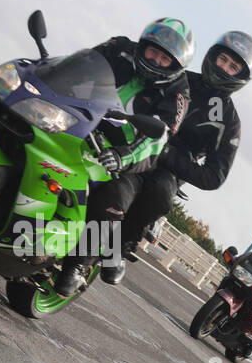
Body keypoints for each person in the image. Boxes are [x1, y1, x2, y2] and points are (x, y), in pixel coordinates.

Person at [54, 18, 194, 296]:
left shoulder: (178, 93)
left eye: (164, 58)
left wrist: (123, 156)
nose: (155, 59)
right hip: (80, 122)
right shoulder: (119, 47)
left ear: (175, 66)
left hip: (126, 156)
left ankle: (77, 265)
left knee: (113, 197)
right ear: (143, 44)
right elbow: (80, 62)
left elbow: (159, 136)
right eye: (153, 50)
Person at [118, 32, 252, 261]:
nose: (224, 67)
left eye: (233, 66)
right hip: (134, 141)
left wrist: (166, 153)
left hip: (168, 170)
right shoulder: (176, 77)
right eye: (223, 59)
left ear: (240, 77)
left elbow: (214, 177)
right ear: (213, 56)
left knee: (160, 190)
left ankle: (123, 242)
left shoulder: (229, 121)